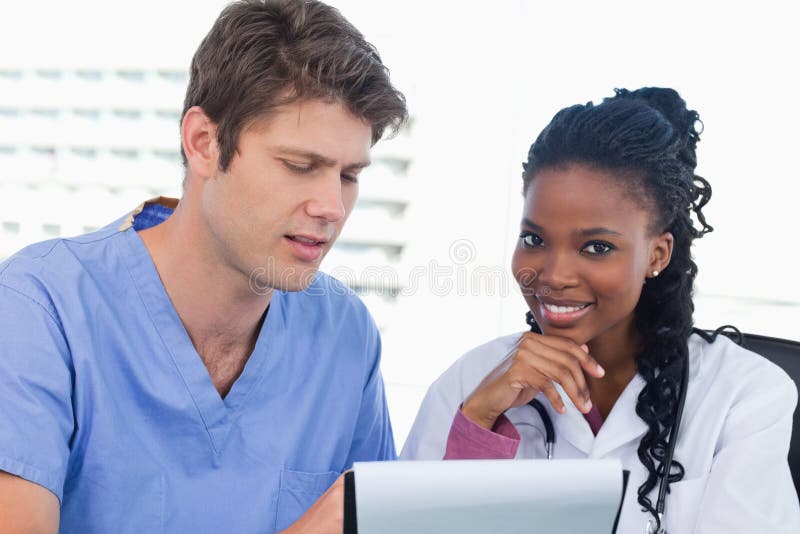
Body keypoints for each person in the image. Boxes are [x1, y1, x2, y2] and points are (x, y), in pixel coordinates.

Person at [0, 1, 406, 532]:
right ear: (204, 143)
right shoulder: (41, 310)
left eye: (349, 175)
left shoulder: (344, 336)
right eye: (300, 167)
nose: (331, 207)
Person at [401, 87, 800, 532]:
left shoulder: (741, 395)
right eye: (534, 239)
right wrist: (477, 424)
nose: (554, 274)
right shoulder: (469, 383)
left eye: (596, 247)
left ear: (657, 254)